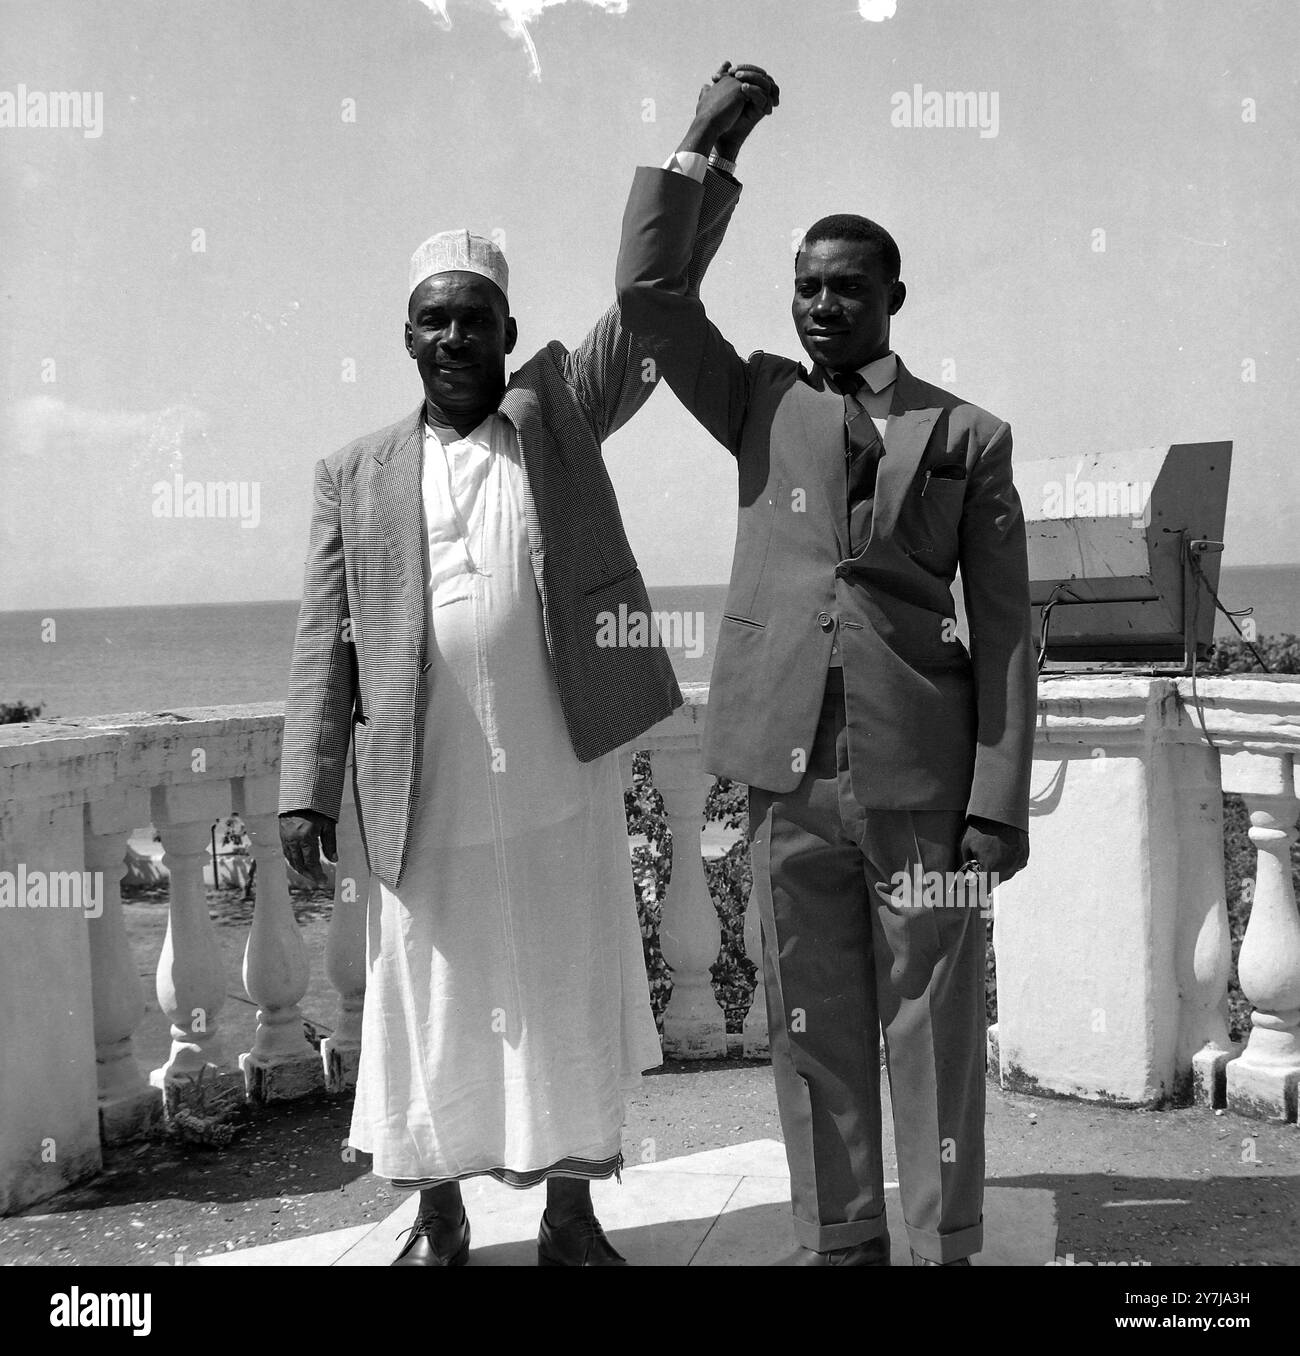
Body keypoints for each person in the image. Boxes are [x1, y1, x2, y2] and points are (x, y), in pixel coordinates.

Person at [275, 81, 768, 1265]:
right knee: (429, 1003)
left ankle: (570, 1215)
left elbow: (652, 306)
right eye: (435, 320)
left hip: (558, 768)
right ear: (408, 336)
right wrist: (305, 782)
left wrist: (699, 150)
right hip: (420, 782)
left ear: (508, 331)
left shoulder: (556, 409)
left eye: (477, 319)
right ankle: (437, 1215)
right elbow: (320, 635)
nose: (457, 339)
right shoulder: (352, 471)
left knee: (561, 989)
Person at [616, 65, 1035, 1266]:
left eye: (846, 289)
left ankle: (942, 1241)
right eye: (804, 289)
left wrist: (995, 809)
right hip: (784, 778)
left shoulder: (968, 436)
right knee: (811, 1027)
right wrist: (705, 142)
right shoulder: (757, 404)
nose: (820, 307)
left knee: (936, 1027)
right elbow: (649, 297)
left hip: (923, 787)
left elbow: (1004, 629)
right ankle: (837, 1243)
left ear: (894, 296)